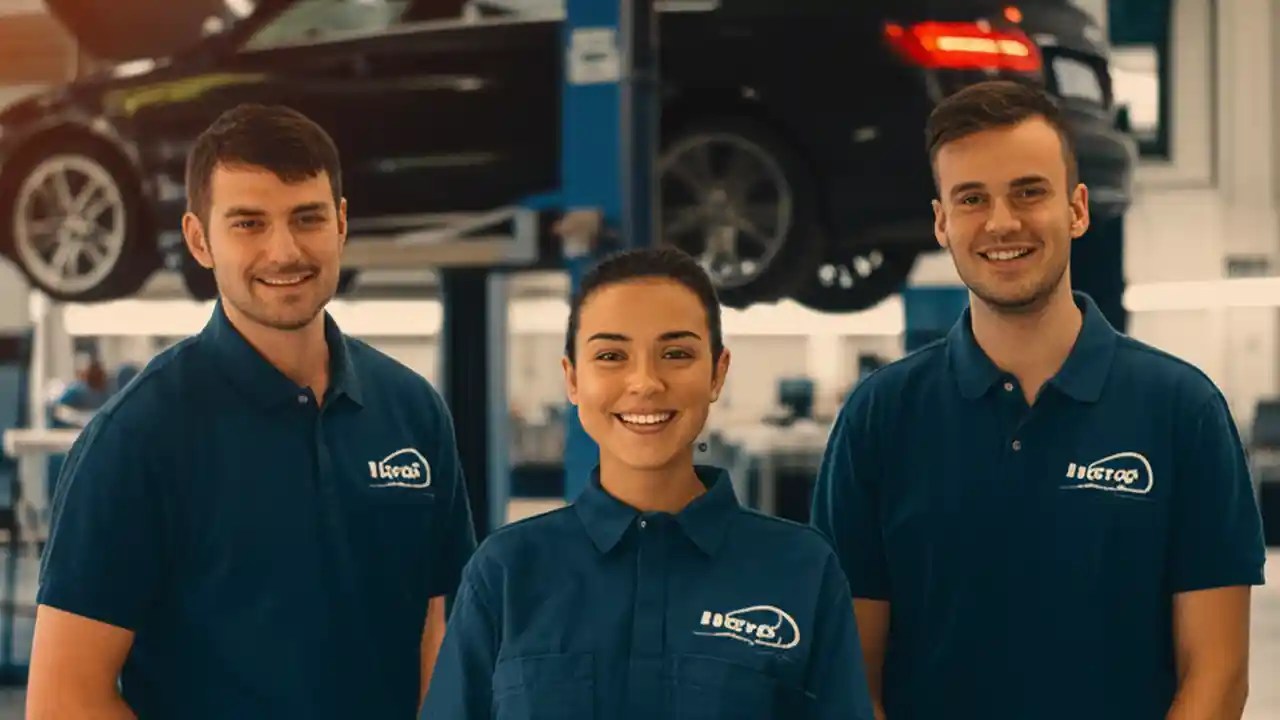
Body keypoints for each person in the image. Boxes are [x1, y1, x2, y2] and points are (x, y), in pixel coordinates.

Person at [811, 79, 1268, 720]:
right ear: (942, 222)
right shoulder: (879, 420)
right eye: (972, 199)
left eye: (1029, 191)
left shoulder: (1182, 411)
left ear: (1077, 209)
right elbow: (851, 682)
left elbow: (1217, 677)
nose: (1002, 222)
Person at [27, 104, 477, 719]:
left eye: (307, 218)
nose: (284, 250)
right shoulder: (139, 437)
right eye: (248, 223)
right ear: (199, 240)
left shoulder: (412, 412)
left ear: (341, 224)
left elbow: (436, 633)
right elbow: (64, 700)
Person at [422, 247, 875, 720]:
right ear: (573, 379)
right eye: (611, 355)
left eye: (676, 353)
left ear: (717, 373)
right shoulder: (507, 573)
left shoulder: (800, 570)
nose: (645, 382)